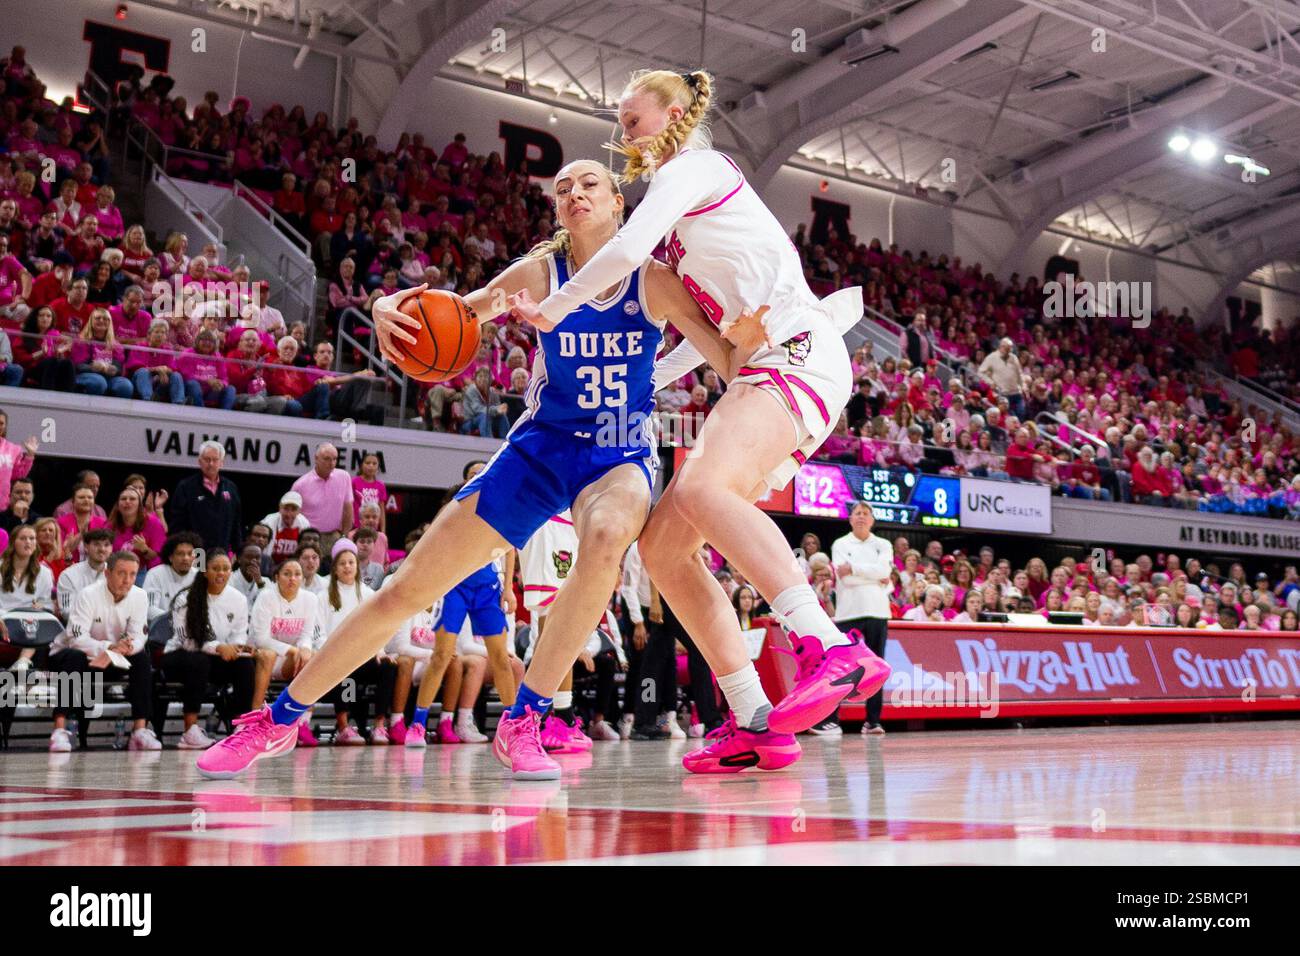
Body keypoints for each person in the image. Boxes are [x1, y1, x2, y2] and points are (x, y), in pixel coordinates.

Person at [198, 156, 737, 780]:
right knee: (406, 589)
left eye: (590, 183)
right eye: (562, 188)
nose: (574, 193)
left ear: (618, 202)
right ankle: (279, 719)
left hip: (619, 449)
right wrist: (386, 308)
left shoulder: (654, 280)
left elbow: (725, 354)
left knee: (610, 538)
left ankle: (526, 718)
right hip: (541, 445)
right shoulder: (539, 273)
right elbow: (456, 311)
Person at [508, 69, 888, 772]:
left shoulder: (696, 169)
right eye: (618, 124)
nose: (623, 135)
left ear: (675, 114)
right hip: (763, 365)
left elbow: (621, 253)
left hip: (797, 351)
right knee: (663, 549)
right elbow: (690, 334)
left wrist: (552, 309)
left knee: (701, 490)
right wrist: (649, 376)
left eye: (632, 120)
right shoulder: (674, 232)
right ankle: (754, 718)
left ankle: (829, 646)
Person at [47, 551, 158, 753]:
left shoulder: (139, 596)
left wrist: (127, 647)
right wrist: (108, 647)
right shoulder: (88, 594)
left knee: (141, 659)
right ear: (107, 573)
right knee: (75, 657)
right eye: (122, 573)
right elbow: (76, 638)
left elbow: (139, 635)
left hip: (113, 659)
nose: (128, 580)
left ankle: (140, 731)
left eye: (133, 574)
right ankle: (59, 730)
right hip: (72, 654)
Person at [162, 551, 265, 750]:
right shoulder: (185, 598)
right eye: (215, 568)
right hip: (179, 656)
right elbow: (187, 641)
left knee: (244, 664)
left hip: (214, 657)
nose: (221, 573)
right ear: (205, 571)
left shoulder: (238, 599)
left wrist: (237, 648)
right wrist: (219, 647)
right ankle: (190, 731)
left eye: (226, 569)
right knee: (198, 661)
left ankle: (241, 725)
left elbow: (238, 633)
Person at [318, 539, 393, 744]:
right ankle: (344, 725)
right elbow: (320, 633)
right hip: (337, 658)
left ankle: (379, 724)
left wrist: (379, 650)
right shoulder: (323, 596)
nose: (348, 567)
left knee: (386, 667)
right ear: (335, 569)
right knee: (345, 672)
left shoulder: (368, 594)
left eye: (351, 562)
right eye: (342, 563)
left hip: (363, 655)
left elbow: (376, 628)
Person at [829, 502, 893, 735]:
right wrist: (874, 575)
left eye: (866, 514)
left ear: (873, 519)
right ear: (850, 519)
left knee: (876, 669)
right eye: (857, 513)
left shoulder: (883, 544)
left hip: (878, 612)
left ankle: (873, 721)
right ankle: (832, 720)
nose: (862, 517)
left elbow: (884, 572)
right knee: (842, 669)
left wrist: (854, 568)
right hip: (848, 613)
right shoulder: (841, 544)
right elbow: (845, 580)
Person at [168, 441, 243, 557]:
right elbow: (177, 525)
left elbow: (236, 524)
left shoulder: (231, 487)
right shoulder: (186, 487)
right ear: (199, 461)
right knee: (198, 575)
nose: (211, 463)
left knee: (218, 575)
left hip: (221, 552)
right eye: (207, 459)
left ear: (221, 463)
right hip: (196, 553)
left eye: (215, 460)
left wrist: (237, 551)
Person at [291, 443, 352, 555]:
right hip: (310, 537)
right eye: (327, 459)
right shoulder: (300, 484)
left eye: (334, 459)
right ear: (316, 458)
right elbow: (292, 516)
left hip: (335, 535)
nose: (331, 463)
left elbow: (348, 510)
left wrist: (344, 536)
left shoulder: (344, 477)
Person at [143, 532, 202, 624]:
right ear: (170, 557)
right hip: (161, 629)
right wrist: (177, 619)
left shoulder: (199, 577)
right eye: (180, 554)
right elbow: (149, 609)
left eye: (190, 553)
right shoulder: (155, 574)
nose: (186, 558)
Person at [56, 527, 114, 617]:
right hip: (78, 628)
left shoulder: (116, 575)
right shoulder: (68, 575)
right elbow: (66, 612)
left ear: (111, 548)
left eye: (106, 545)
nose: (102, 549)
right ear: (86, 547)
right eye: (96, 544)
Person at [0, 407, 37, 511]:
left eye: (1, 423)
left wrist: (30, 455)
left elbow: (18, 475)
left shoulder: (13, 449)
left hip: (2, 508)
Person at [260, 491, 311, 565]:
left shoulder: (304, 524)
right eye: (286, 509)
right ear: (280, 508)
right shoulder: (268, 522)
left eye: (293, 509)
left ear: (299, 511)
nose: (289, 514)